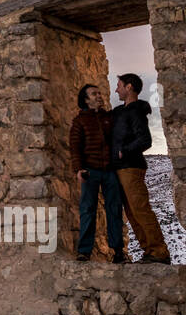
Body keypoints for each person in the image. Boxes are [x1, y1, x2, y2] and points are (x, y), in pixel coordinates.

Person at [112, 73, 171, 264]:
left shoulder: (135, 111)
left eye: (119, 85)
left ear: (129, 87)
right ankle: (149, 251)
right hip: (121, 168)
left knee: (140, 209)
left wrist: (124, 151)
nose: (116, 89)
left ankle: (159, 252)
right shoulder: (120, 111)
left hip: (131, 167)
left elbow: (145, 140)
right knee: (131, 212)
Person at [70, 83, 124, 263]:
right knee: (88, 210)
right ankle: (84, 251)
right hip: (90, 171)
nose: (99, 96)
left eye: (99, 93)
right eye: (94, 94)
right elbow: (75, 148)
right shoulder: (79, 121)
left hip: (110, 171)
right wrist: (78, 169)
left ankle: (118, 251)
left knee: (114, 209)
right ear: (86, 100)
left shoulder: (108, 118)